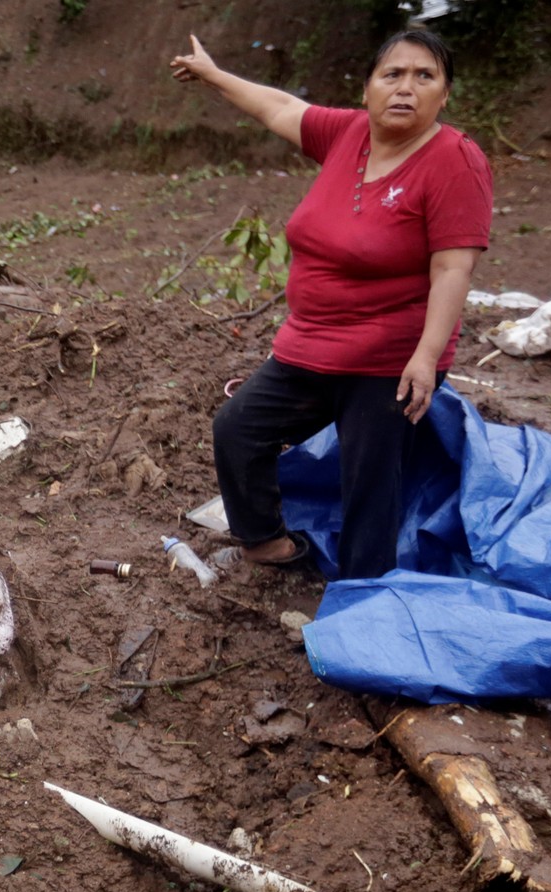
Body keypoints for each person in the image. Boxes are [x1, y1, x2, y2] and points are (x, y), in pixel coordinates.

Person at [173, 28, 490, 580]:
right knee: (237, 428)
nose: (406, 88)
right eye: (392, 74)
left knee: (369, 482)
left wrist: (426, 355)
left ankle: (363, 603)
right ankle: (266, 543)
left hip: (387, 358)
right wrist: (214, 76)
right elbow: (280, 108)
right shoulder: (349, 134)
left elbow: (452, 267)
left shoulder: (454, 161)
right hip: (310, 342)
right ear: (367, 88)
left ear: (445, 95)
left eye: (425, 77)